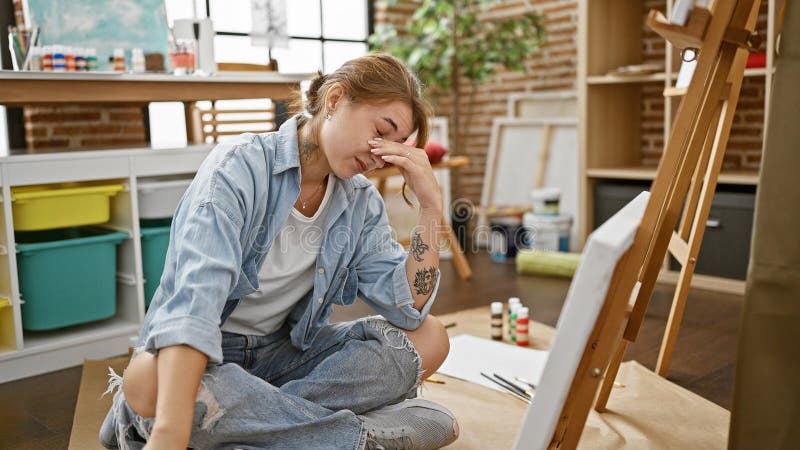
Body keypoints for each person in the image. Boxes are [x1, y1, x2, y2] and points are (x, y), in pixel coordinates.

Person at [99, 53, 459, 450]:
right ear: (336, 99)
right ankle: (358, 438)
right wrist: (168, 433)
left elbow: (406, 307)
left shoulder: (360, 202)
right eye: (380, 130)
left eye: (394, 144)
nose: (380, 154)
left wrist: (429, 206)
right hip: (208, 359)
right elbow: (193, 304)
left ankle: (247, 426)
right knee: (148, 383)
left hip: (283, 357)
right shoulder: (238, 168)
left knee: (431, 337)